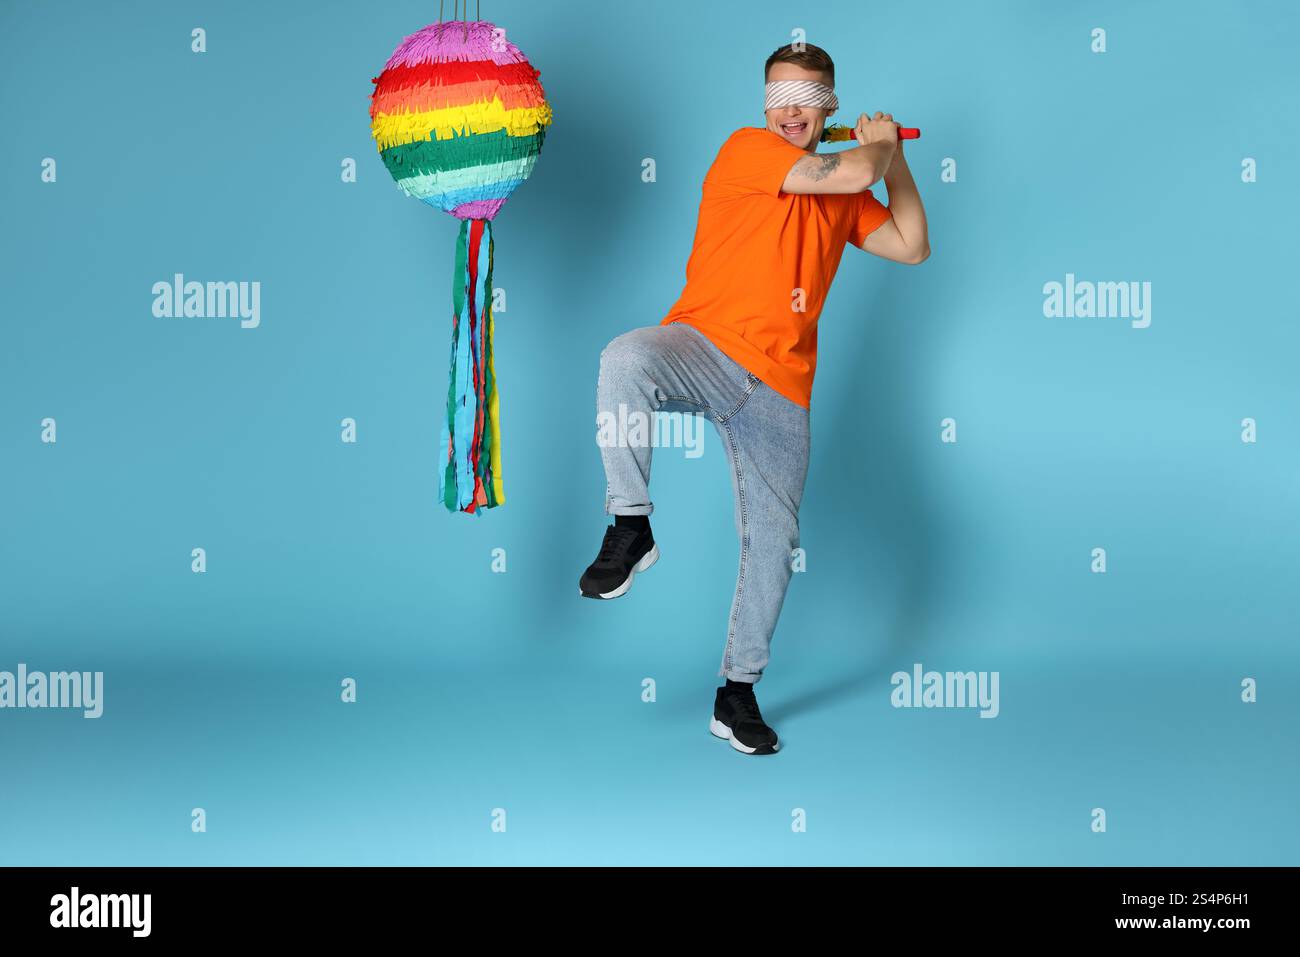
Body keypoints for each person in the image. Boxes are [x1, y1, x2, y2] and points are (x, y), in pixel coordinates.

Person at [579, 42, 931, 755]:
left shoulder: (846, 195)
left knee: (774, 546)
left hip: (781, 386)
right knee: (625, 357)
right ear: (763, 106)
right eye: (780, 98)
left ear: (829, 105)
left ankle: (736, 693)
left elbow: (912, 244)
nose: (793, 111)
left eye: (809, 99)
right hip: (705, 347)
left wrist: (900, 162)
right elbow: (858, 167)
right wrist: (879, 152)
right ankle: (630, 524)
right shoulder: (746, 150)